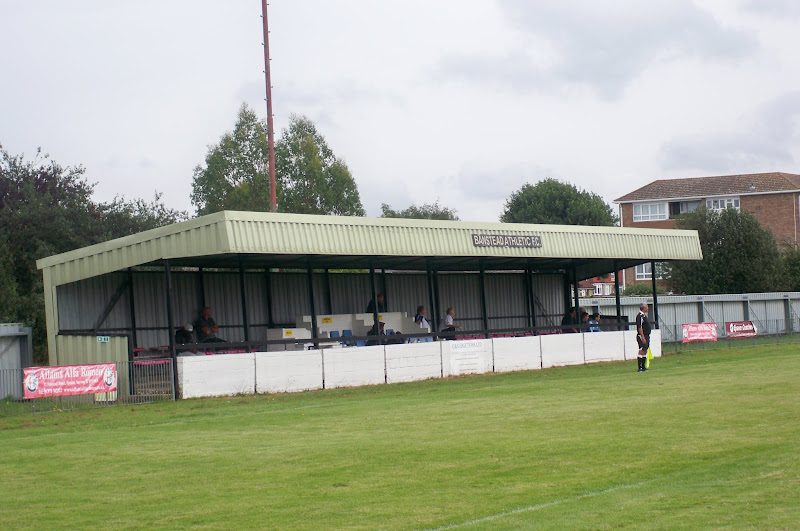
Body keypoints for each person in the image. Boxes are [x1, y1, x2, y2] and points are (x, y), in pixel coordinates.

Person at [636, 302, 651, 372]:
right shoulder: (640, 316)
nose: (648, 308)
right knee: (641, 350)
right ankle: (640, 367)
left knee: (645, 350)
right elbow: (640, 327)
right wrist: (642, 337)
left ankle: (643, 367)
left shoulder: (644, 316)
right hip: (642, 336)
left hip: (647, 335)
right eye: (647, 307)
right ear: (644, 308)